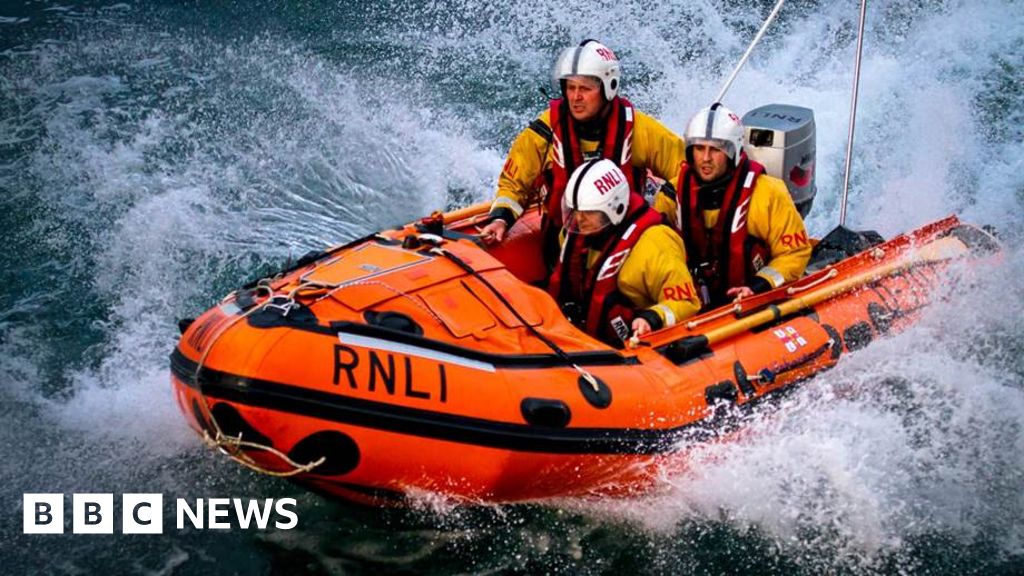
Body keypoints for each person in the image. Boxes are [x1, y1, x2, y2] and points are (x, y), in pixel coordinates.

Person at [479, 39, 687, 268]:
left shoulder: (639, 129)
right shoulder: (546, 131)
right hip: (562, 245)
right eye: (570, 87)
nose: (575, 97)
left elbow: (685, 170)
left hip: (627, 245)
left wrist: (658, 213)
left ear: (608, 87)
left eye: (585, 88)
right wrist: (500, 219)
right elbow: (513, 184)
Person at [654, 103, 811, 307]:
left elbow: (795, 252)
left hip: (753, 299)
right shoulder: (672, 194)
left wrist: (759, 285)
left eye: (715, 150)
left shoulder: (768, 193)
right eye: (699, 148)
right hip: (692, 304)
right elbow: (657, 254)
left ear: (733, 152)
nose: (706, 158)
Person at [548, 159, 700, 347]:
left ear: (615, 208)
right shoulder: (575, 236)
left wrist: (652, 317)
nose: (579, 219)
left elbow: (686, 301)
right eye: (576, 210)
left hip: (629, 349)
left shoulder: (656, 244)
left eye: (588, 212)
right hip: (580, 339)